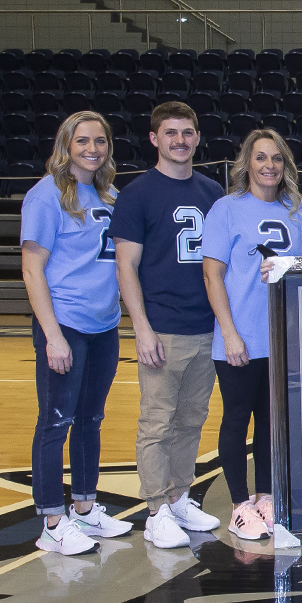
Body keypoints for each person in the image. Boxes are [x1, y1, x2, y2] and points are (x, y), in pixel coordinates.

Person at [110, 102, 226, 550]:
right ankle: (155, 508)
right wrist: (141, 328)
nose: (180, 140)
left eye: (188, 132)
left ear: (198, 138)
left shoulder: (212, 191)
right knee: (157, 422)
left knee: (192, 419)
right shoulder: (137, 194)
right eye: (171, 132)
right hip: (163, 327)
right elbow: (126, 267)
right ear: (155, 138)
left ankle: (179, 495)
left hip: (207, 327)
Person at [19, 111, 132, 555]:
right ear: (66, 145)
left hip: (104, 325)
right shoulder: (46, 196)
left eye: (99, 141)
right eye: (82, 141)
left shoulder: (109, 194)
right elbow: (31, 269)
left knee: (91, 420)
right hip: (65, 322)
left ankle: (85, 508)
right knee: (55, 422)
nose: (92, 149)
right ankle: (51, 520)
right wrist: (53, 335)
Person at [201, 130, 302, 541]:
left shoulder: (300, 211)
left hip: (283, 339)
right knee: (236, 419)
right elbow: (212, 274)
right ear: (247, 163)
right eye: (261, 157)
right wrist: (230, 333)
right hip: (241, 336)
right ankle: (238, 504)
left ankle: (265, 497)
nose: (269, 166)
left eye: (277, 159)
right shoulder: (226, 209)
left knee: (272, 422)